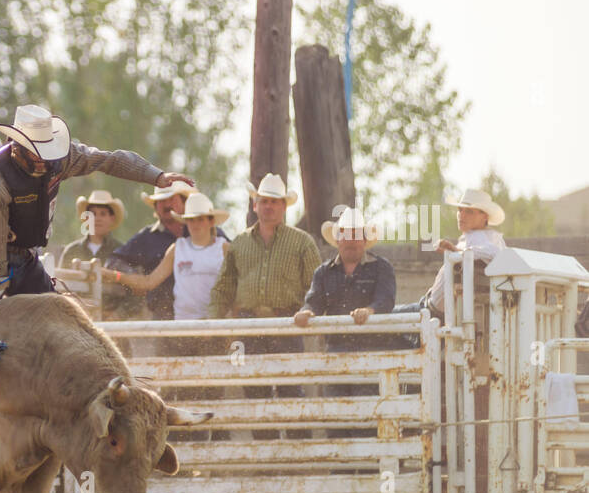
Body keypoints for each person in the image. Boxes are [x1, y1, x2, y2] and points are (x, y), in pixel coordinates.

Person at [0, 103, 193, 441]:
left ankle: (88, 399)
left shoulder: (61, 159)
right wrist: (1, 285)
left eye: (47, 152)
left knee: (64, 318)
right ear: (18, 147)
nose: (44, 160)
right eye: (37, 153)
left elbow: (110, 159)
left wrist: (157, 177)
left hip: (25, 255)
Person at [208, 173, 321, 439]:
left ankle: (299, 452)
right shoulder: (239, 243)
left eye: (274, 201)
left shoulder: (302, 242)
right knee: (255, 389)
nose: (268, 206)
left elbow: (317, 285)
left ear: (283, 206)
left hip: (288, 323)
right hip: (250, 325)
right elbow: (224, 287)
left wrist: (310, 311)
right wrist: (212, 323)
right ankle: (266, 451)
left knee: (290, 388)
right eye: (263, 201)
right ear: (255, 205)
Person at [114, 191, 230, 328]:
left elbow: (236, 284)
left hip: (214, 324)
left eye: (201, 219)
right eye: (191, 219)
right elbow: (148, 282)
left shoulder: (223, 246)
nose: (195, 224)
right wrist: (114, 275)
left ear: (211, 221)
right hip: (177, 324)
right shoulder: (173, 247)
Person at [293, 206, 397, 351]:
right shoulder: (323, 272)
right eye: (345, 234)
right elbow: (314, 302)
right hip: (335, 348)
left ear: (365, 240)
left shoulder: (382, 268)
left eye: (356, 235)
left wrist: (369, 311)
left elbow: (385, 300)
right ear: (337, 240)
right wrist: (306, 311)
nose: (350, 240)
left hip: (374, 348)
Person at [394, 188, 506, 318]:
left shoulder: (487, 238)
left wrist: (457, 251)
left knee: (383, 317)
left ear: (484, 216)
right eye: (460, 210)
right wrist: (458, 251)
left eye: (469, 211)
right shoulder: (473, 238)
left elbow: (495, 253)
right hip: (433, 310)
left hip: (434, 314)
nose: (461, 215)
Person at [106, 182, 196, 320]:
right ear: (155, 206)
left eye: (171, 199)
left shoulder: (204, 230)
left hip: (202, 311)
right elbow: (113, 261)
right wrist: (134, 277)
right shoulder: (146, 238)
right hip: (162, 315)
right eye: (160, 201)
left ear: (184, 203)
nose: (166, 204)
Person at [58, 189, 132, 320]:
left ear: (112, 218)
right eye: (92, 214)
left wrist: (118, 315)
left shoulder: (122, 251)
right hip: (78, 321)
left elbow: (135, 291)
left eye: (103, 214)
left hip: (115, 327)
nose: (97, 218)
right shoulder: (71, 251)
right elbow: (59, 288)